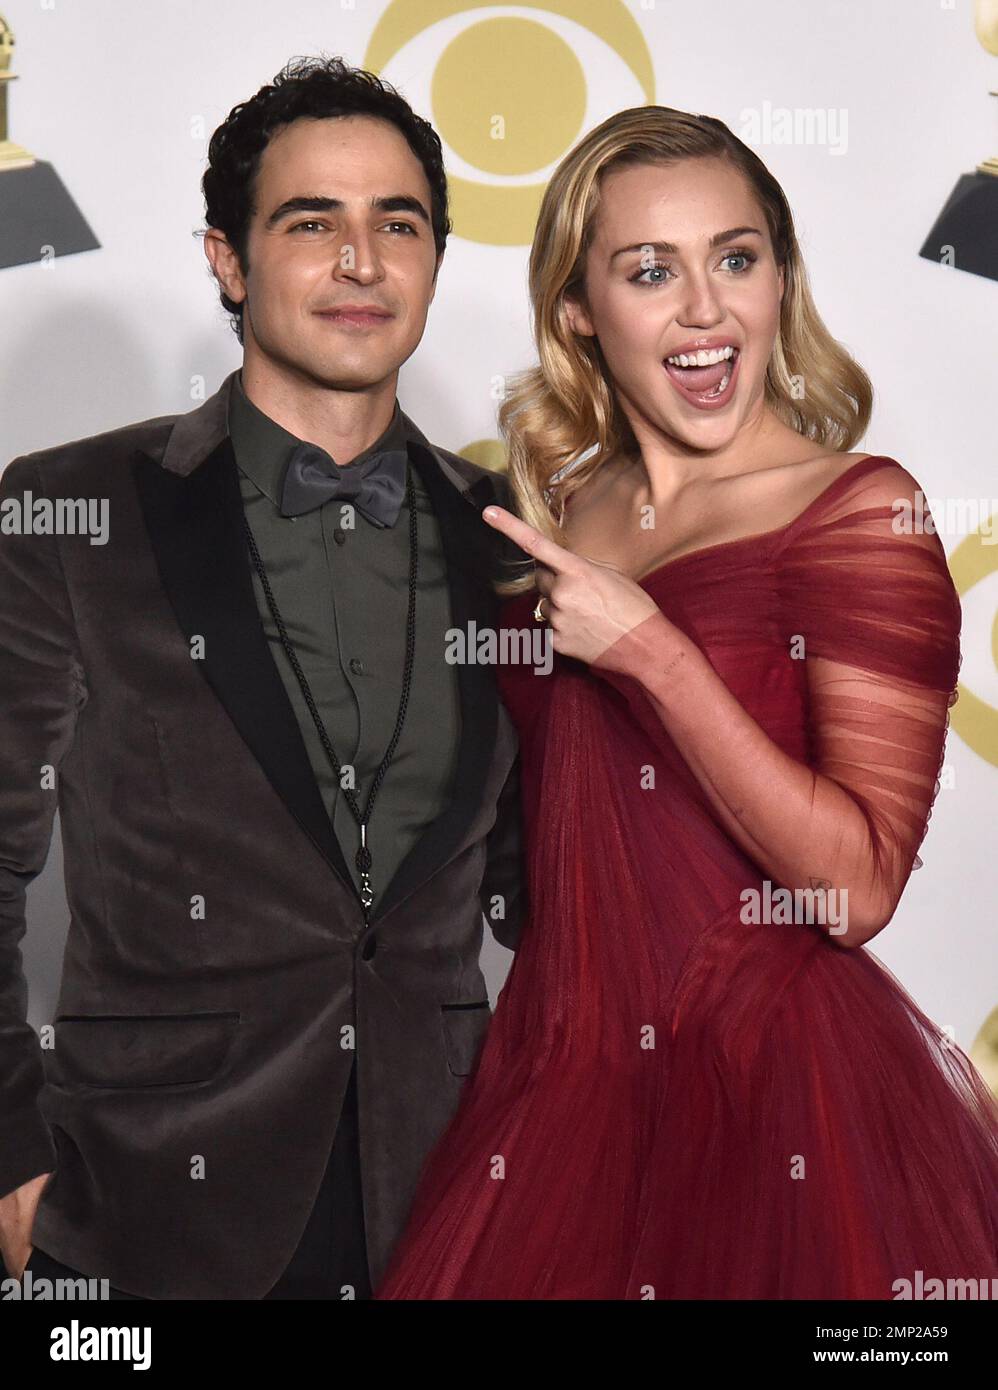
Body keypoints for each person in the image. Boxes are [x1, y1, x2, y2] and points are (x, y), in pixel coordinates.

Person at [373, 105, 998, 1300]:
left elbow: (856, 885)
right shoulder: (556, 514)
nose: (704, 309)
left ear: (779, 279)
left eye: (737, 257)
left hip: (774, 1089)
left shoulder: (858, 510)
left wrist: (656, 653)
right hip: (554, 1073)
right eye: (650, 271)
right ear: (576, 310)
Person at [0, 57, 524, 1301]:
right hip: (139, 1203)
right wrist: (10, 1158)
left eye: (397, 224)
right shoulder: (66, 512)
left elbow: (547, 888)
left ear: (436, 262)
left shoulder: (512, 538)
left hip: (449, 1193)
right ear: (227, 262)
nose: (361, 261)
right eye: (311, 224)